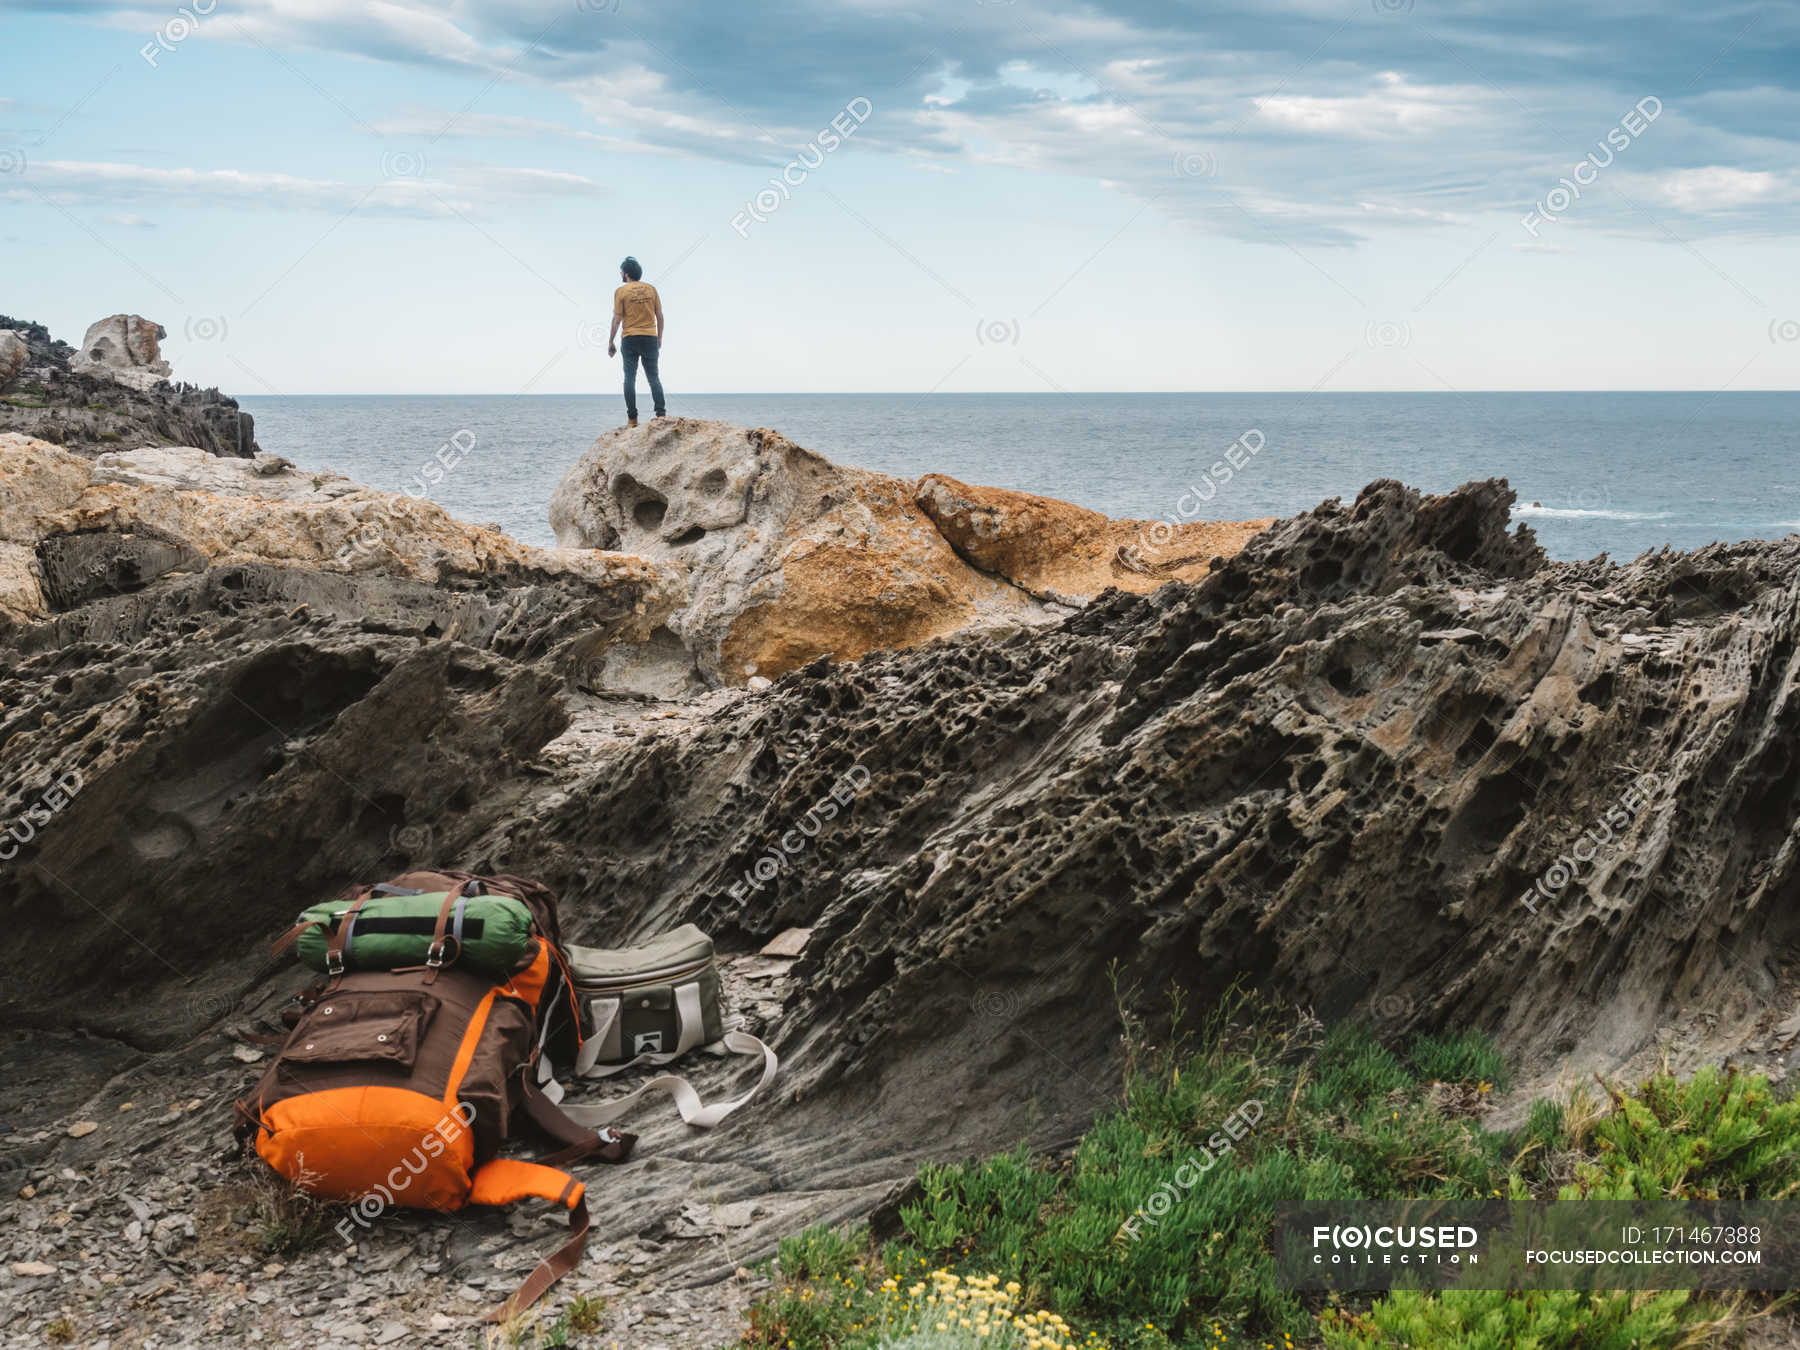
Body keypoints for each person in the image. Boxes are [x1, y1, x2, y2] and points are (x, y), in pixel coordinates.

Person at [607, 256, 665, 427]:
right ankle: (661, 415)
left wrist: (610, 342)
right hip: (650, 337)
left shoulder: (621, 291)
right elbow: (660, 316)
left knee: (629, 378)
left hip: (630, 338)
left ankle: (632, 419)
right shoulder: (651, 289)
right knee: (653, 378)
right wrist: (659, 338)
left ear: (625, 274)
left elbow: (616, 319)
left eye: (621, 271)